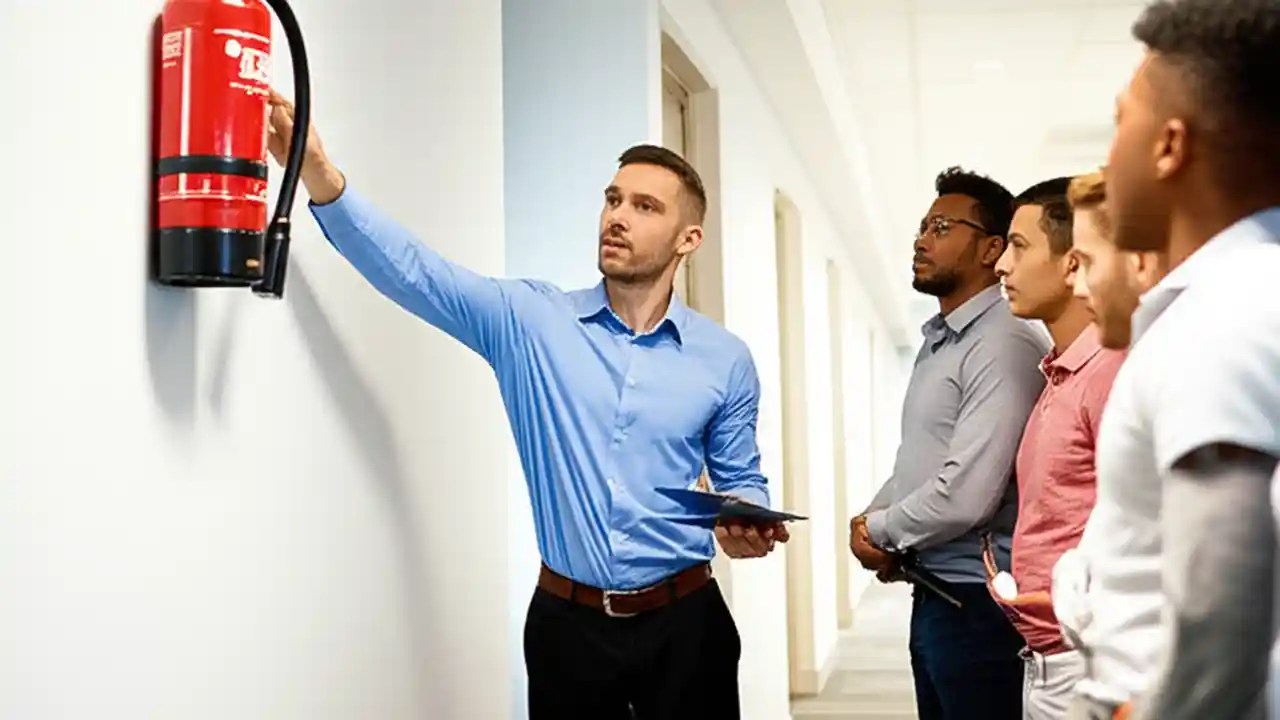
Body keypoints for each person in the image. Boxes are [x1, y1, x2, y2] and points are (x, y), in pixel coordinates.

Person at [263, 91, 789, 719]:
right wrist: (321, 174)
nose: (617, 217)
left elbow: (740, 480)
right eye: (613, 199)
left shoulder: (724, 359)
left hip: (687, 629)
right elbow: (417, 273)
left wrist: (746, 525)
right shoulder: (531, 321)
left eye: (645, 207)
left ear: (688, 238)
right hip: (568, 630)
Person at [1085, 1, 1280, 718]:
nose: (1109, 157)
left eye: (1119, 121)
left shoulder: (1223, 309)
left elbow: (1221, 587)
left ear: (1168, 146)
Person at [849, 167, 1051, 720]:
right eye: (922, 226)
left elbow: (968, 494)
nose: (921, 239)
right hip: (938, 591)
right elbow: (923, 457)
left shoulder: (1003, 340)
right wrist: (877, 517)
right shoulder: (942, 341)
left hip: (979, 606)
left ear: (991, 249)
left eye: (941, 226)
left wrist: (881, 530)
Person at [985, 177, 1127, 720]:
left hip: (1089, 659)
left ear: (1073, 264)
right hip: (1049, 656)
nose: (1001, 265)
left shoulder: (1109, 371)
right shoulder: (1062, 373)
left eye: (1019, 247)